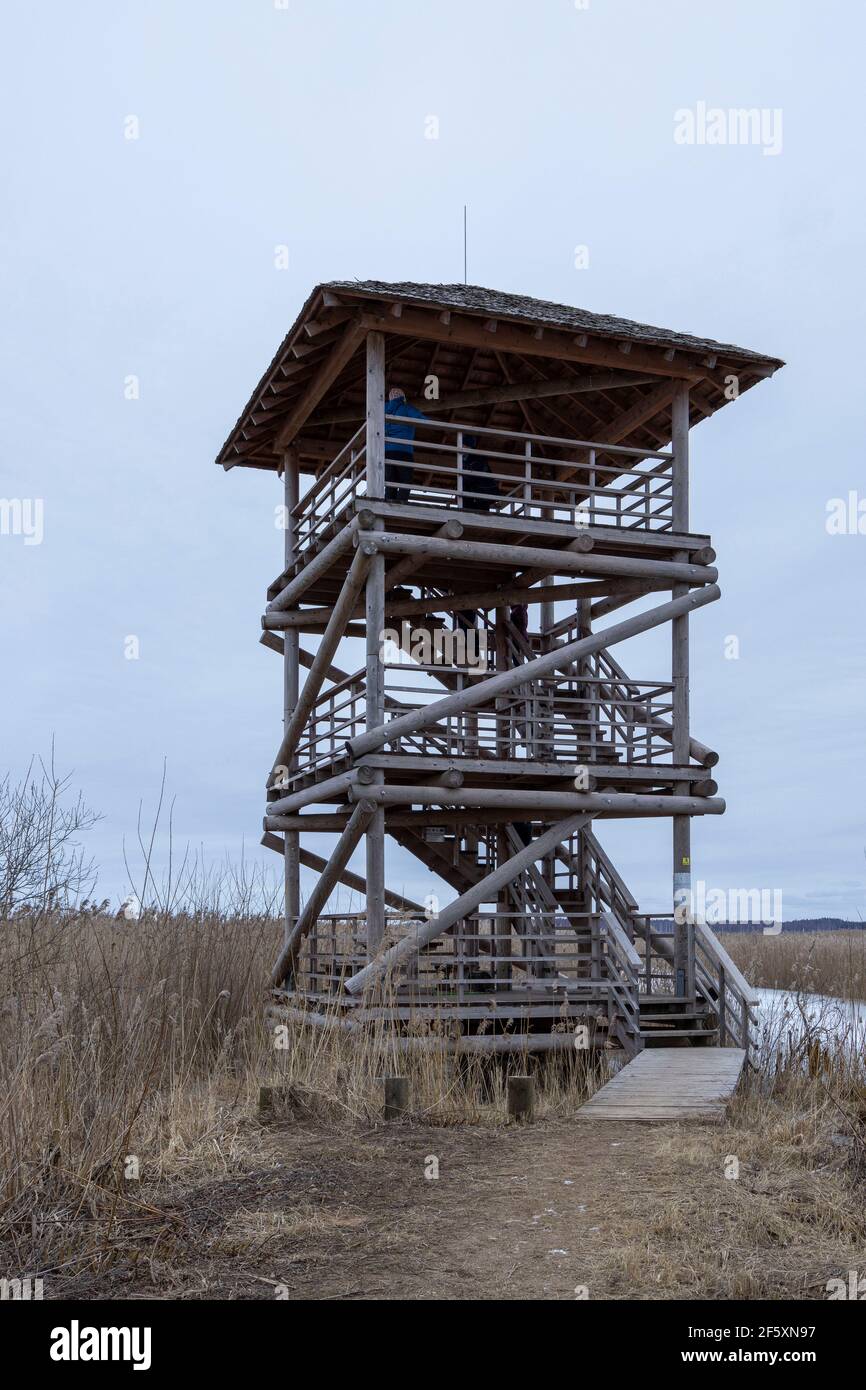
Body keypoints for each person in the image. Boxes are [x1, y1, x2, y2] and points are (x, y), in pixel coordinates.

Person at [384, 387, 429, 502]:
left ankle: (389, 502)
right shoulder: (407, 408)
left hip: (387, 451)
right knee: (406, 480)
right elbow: (423, 420)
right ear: (403, 397)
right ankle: (401, 502)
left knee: (390, 481)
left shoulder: (383, 409)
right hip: (403, 450)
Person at [459, 433, 499, 511]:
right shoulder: (464, 459)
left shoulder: (477, 458)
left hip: (480, 492)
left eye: (463, 445)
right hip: (472, 492)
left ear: (468, 446)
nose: (462, 447)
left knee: (481, 512)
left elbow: (474, 476)